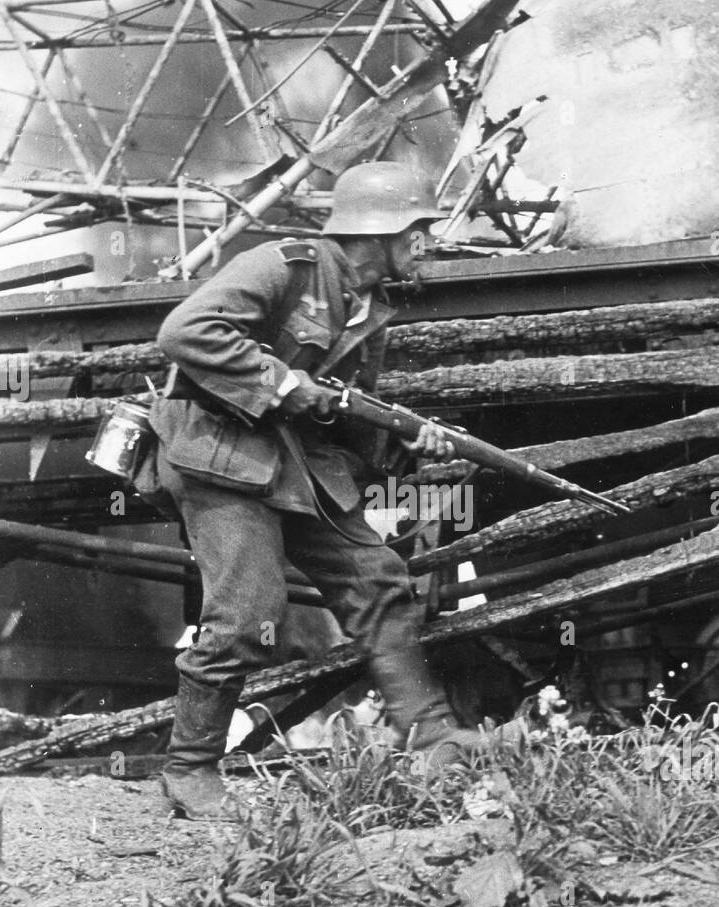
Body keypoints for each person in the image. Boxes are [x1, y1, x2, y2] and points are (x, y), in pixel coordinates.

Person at [147, 161, 482, 819]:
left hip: (295, 465)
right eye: (419, 229)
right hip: (219, 453)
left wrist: (408, 444)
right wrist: (280, 381)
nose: (428, 243)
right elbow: (185, 332)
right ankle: (188, 769)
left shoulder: (370, 310)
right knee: (247, 610)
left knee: (378, 582)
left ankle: (435, 740)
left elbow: (348, 419)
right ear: (378, 229)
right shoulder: (285, 265)